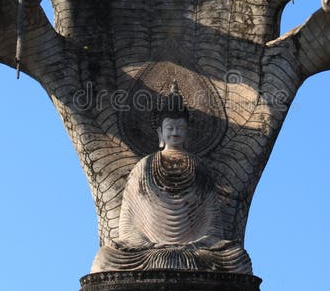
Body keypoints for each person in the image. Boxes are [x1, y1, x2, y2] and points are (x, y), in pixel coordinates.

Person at [90, 86, 251, 273]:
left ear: (187, 131)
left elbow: (212, 225)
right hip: (146, 252)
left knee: (238, 259)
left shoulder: (200, 169)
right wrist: (144, 243)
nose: (175, 132)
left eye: (180, 127)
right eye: (170, 127)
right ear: (160, 133)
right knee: (105, 259)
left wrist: (194, 245)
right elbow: (128, 223)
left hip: (195, 252)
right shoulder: (144, 167)